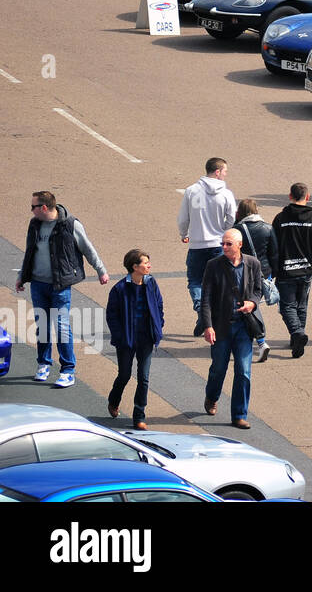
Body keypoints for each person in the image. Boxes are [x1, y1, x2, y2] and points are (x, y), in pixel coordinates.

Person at [16, 191, 111, 388]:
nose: (30, 210)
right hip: (38, 283)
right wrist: (21, 277)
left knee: (61, 327)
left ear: (43, 207)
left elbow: (88, 248)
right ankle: (43, 363)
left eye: (33, 206)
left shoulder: (70, 224)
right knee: (42, 325)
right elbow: (29, 251)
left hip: (59, 285)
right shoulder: (35, 224)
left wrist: (101, 270)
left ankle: (68, 370)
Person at [199, 229, 262, 430]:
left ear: (239, 245)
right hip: (221, 326)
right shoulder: (213, 266)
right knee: (219, 368)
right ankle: (212, 396)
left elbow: (258, 290)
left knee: (244, 371)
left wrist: (252, 303)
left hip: (243, 327)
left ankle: (239, 415)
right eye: (223, 244)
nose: (224, 247)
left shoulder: (252, 264)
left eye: (228, 244)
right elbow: (206, 298)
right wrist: (208, 326)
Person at [105, 249, 164, 430]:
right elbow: (111, 316)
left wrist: (158, 325)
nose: (149, 266)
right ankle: (114, 400)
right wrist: (120, 337)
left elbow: (159, 305)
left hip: (146, 338)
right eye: (146, 263)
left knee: (143, 378)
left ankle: (139, 415)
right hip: (127, 341)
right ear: (135, 267)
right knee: (124, 375)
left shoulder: (151, 283)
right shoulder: (120, 289)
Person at [177, 157, 236, 334]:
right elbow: (232, 217)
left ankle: (200, 309)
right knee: (218, 282)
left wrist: (184, 234)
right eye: (224, 171)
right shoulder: (226, 194)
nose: (226, 175)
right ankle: (211, 315)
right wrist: (223, 230)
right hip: (218, 245)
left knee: (195, 280)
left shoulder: (192, 191)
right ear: (217, 172)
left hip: (196, 245)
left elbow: (183, 218)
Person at [272, 182, 312, 358]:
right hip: (306, 269)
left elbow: (273, 244)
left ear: (290, 196)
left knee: (286, 306)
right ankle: (298, 336)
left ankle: (297, 333)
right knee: (301, 305)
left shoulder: (280, 219)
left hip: (286, 270)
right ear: (307, 197)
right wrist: (311, 254)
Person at [234, 198, 277, 363]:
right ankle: (258, 340)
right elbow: (274, 253)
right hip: (264, 271)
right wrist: (273, 274)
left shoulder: (237, 229)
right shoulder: (268, 228)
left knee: (249, 306)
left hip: (245, 272)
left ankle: (261, 341)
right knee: (253, 304)